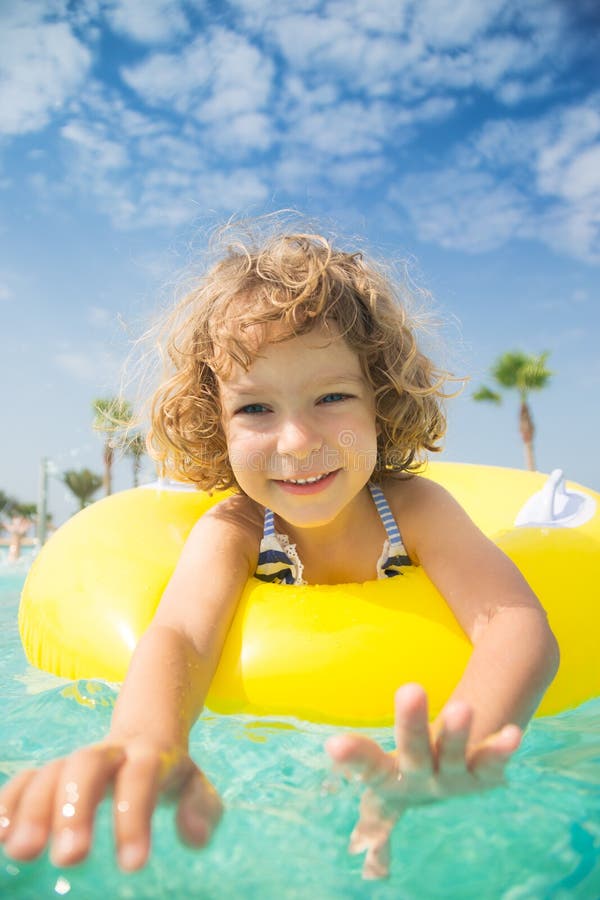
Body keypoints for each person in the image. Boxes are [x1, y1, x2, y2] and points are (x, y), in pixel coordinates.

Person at [0, 230, 559, 879]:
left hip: (389, 744)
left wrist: (449, 747)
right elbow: (180, 636)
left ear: (381, 398)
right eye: (257, 408)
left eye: (331, 397)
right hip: (277, 767)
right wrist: (146, 743)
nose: (296, 442)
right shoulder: (237, 526)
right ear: (218, 419)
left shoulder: (415, 511)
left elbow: (514, 622)